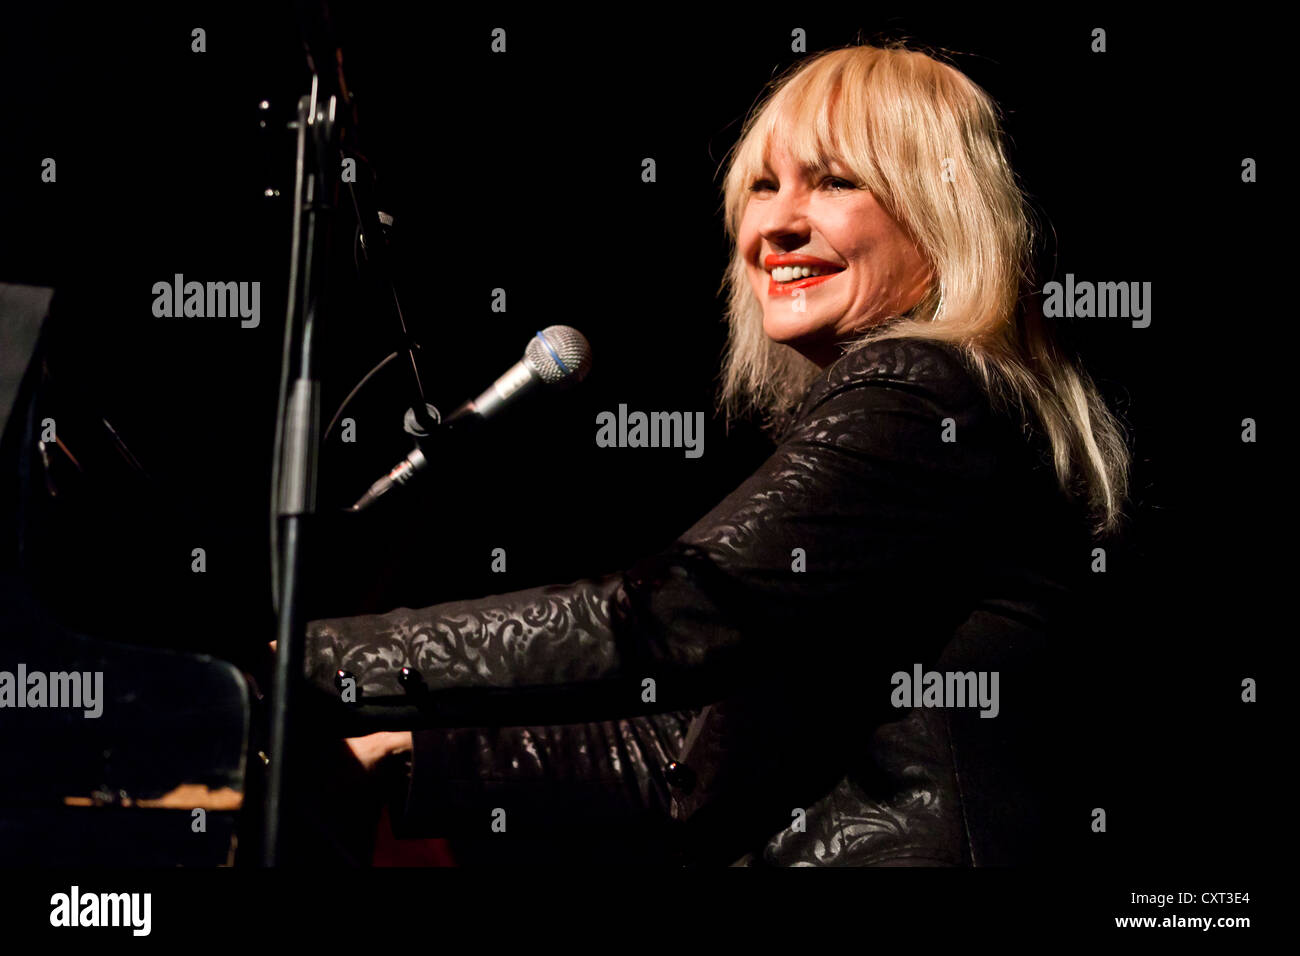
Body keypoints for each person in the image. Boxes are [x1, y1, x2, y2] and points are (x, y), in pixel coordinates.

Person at [300, 42, 1129, 866]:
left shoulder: (925, 392)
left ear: (941, 214)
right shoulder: (924, 415)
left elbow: (673, 614)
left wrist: (313, 662)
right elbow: (687, 757)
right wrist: (406, 749)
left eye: (835, 181)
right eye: (763, 187)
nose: (774, 223)